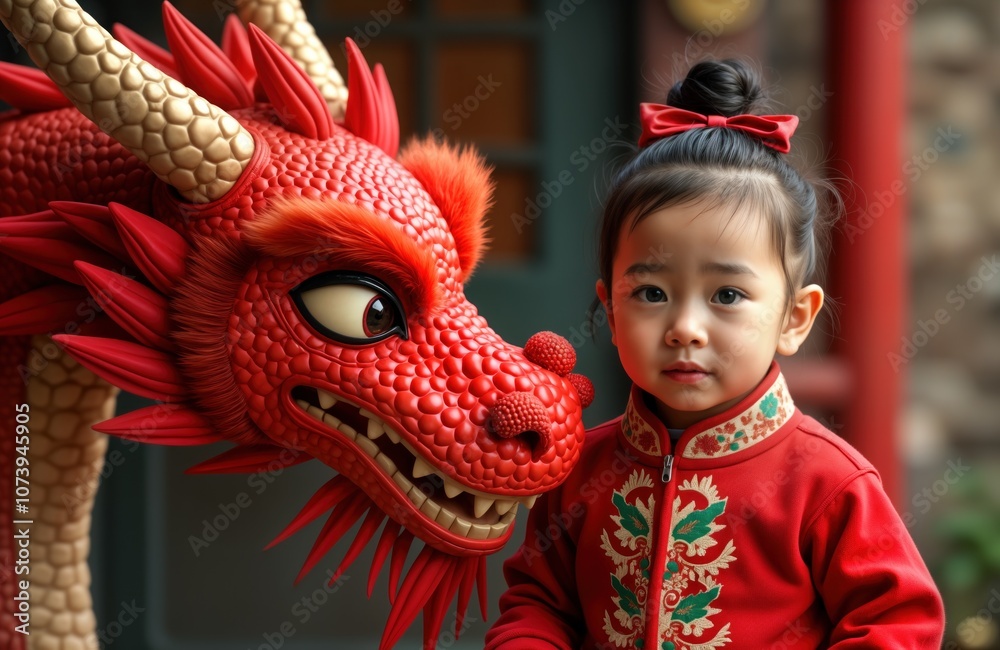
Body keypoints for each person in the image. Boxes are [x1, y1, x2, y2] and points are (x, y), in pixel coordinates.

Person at [485, 59, 945, 649]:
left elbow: (897, 624)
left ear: (793, 317)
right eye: (651, 293)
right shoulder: (580, 473)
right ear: (609, 308)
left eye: (727, 294)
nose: (684, 328)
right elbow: (538, 604)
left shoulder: (829, 483)